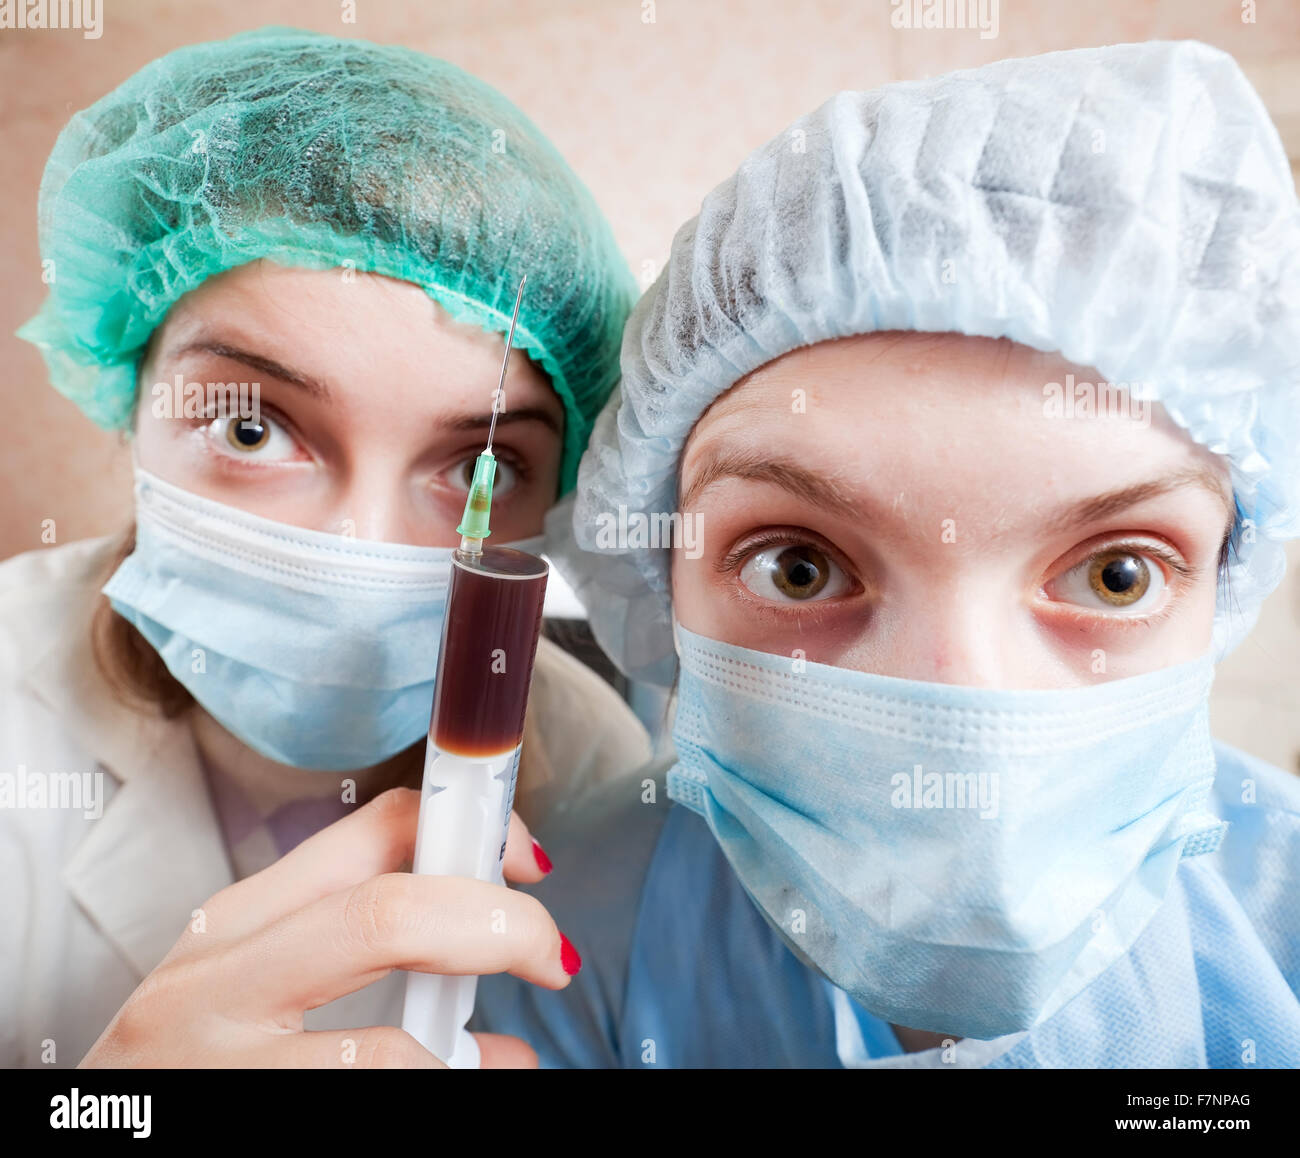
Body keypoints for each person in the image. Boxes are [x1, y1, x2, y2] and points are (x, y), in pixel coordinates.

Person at [472, 40, 1300, 1067]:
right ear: (658, 579)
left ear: (1226, 578)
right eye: (797, 566)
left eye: (1114, 572)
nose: (964, 713)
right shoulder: (558, 934)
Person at [1, 27, 649, 1068]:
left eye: (477, 472)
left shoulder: (600, 775)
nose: (359, 552)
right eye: (252, 428)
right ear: (132, 398)